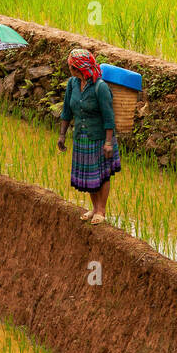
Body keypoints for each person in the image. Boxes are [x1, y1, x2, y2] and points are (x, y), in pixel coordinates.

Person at [57, 47, 119, 223]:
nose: (69, 69)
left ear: (79, 68)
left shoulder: (100, 87)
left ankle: (101, 211)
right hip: (81, 136)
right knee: (90, 176)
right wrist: (62, 135)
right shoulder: (72, 84)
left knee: (103, 174)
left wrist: (108, 143)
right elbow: (67, 110)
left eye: (71, 66)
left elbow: (109, 116)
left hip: (100, 137)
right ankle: (94, 209)